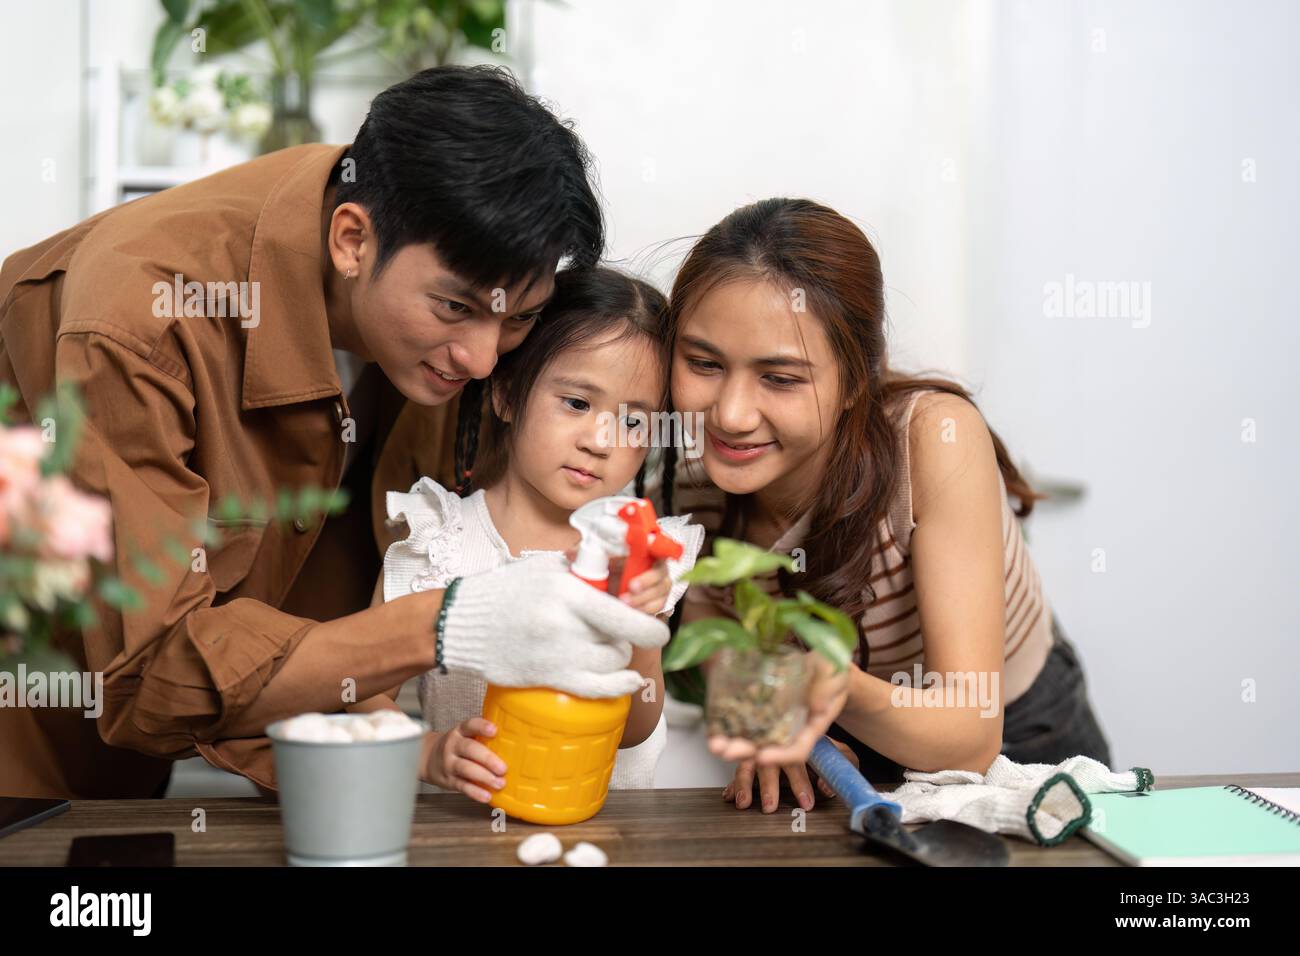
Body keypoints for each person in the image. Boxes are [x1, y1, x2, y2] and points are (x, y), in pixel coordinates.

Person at [0, 66, 665, 800]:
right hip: (36, 723)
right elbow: (149, 671)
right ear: (352, 240)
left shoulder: (403, 234)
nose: (482, 361)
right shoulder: (140, 323)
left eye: (518, 317)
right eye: (455, 309)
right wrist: (449, 623)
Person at [660, 198, 1112, 812]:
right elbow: (715, 645)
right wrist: (768, 723)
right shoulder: (690, 479)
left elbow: (972, 738)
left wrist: (817, 689)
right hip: (841, 742)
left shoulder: (934, 440)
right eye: (703, 363)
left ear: (856, 379)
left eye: (782, 378)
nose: (731, 415)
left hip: (1018, 732)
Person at [370, 267, 704, 801]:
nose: (599, 442)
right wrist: (427, 752)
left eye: (632, 422)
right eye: (577, 403)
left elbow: (635, 731)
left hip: (610, 832)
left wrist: (641, 629)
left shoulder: (636, 552)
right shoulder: (438, 540)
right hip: (464, 830)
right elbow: (362, 692)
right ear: (506, 392)